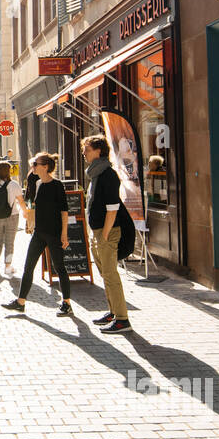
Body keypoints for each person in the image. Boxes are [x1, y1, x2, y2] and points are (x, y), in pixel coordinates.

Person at [2, 152, 73, 317]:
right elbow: (36, 207)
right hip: (39, 232)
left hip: (54, 233)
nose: (33, 166)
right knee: (28, 267)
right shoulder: (38, 183)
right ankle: (20, 302)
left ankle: (67, 303)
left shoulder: (57, 185)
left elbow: (64, 211)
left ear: (45, 167)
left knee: (59, 267)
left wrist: (64, 234)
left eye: (35, 164)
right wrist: (30, 223)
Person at [83, 135, 133, 333]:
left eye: (87, 149)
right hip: (98, 231)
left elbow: (112, 208)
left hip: (108, 231)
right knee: (105, 273)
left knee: (111, 275)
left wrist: (104, 234)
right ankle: (113, 312)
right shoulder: (96, 173)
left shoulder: (107, 175)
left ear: (98, 151)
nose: (84, 153)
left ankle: (122, 319)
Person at [0, 160, 27, 277]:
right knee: (9, 242)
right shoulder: (13, 185)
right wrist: (25, 213)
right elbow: (20, 201)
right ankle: (8, 266)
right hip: (12, 216)